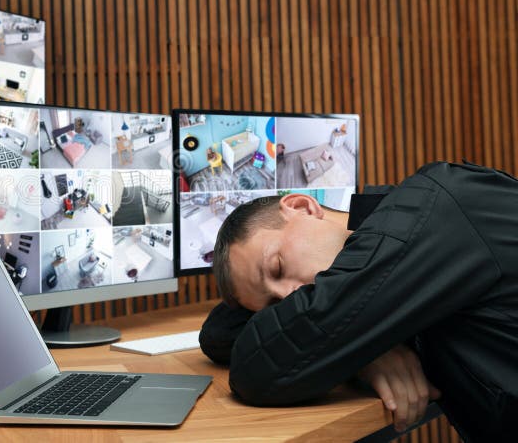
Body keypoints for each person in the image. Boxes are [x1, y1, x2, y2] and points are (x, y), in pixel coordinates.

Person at [198, 161, 518, 442]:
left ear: (302, 207)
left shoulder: (434, 211)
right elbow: (217, 333)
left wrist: (345, 341)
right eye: (273, 304)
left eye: (277, 267)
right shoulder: (385, 260)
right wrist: (363, 353)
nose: (291, 296)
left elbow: (256, 370)